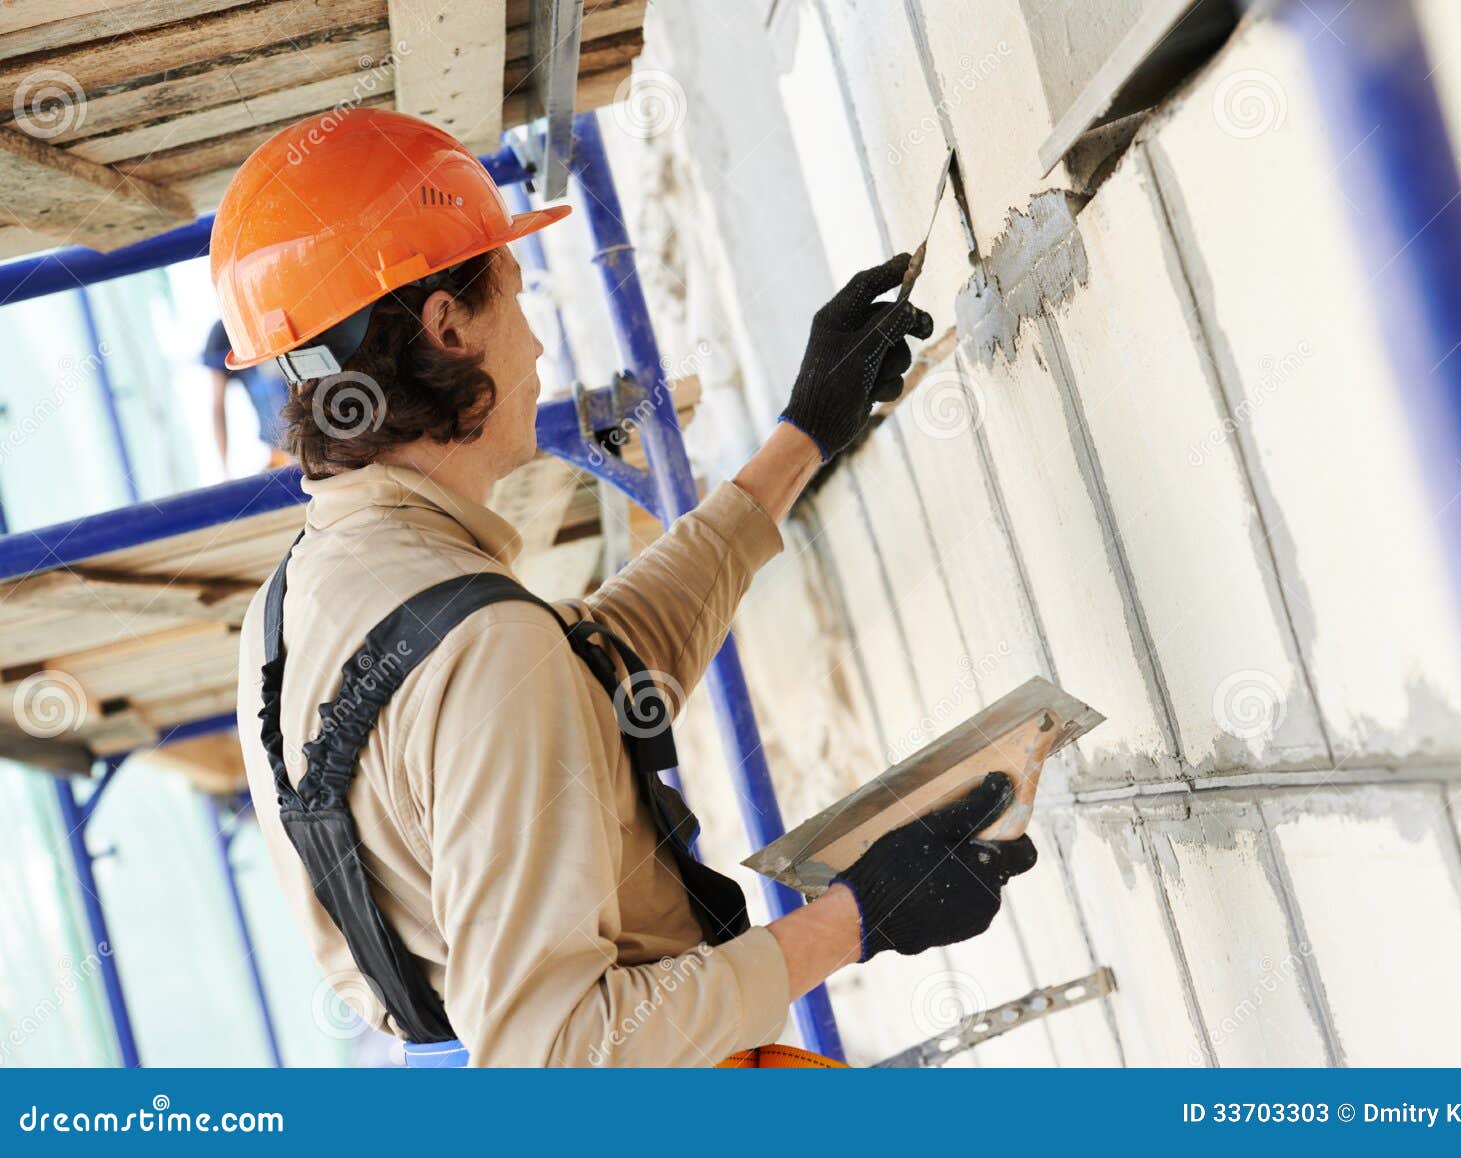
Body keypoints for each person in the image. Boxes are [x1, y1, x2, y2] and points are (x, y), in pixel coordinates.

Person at [215, 108, 1037, 1068]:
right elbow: (551, 1055)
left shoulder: (296, 609)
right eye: (514, 297)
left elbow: (586, 684)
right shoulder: (473, 643)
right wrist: (860, 915)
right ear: (448, 327)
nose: (537, 347)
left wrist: (802, 435)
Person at [199, 319, 291, 472]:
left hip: (315, 434)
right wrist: (225, 469)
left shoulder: (278, 309)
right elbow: (218, 406)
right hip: (279, 449)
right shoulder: (223, 332)